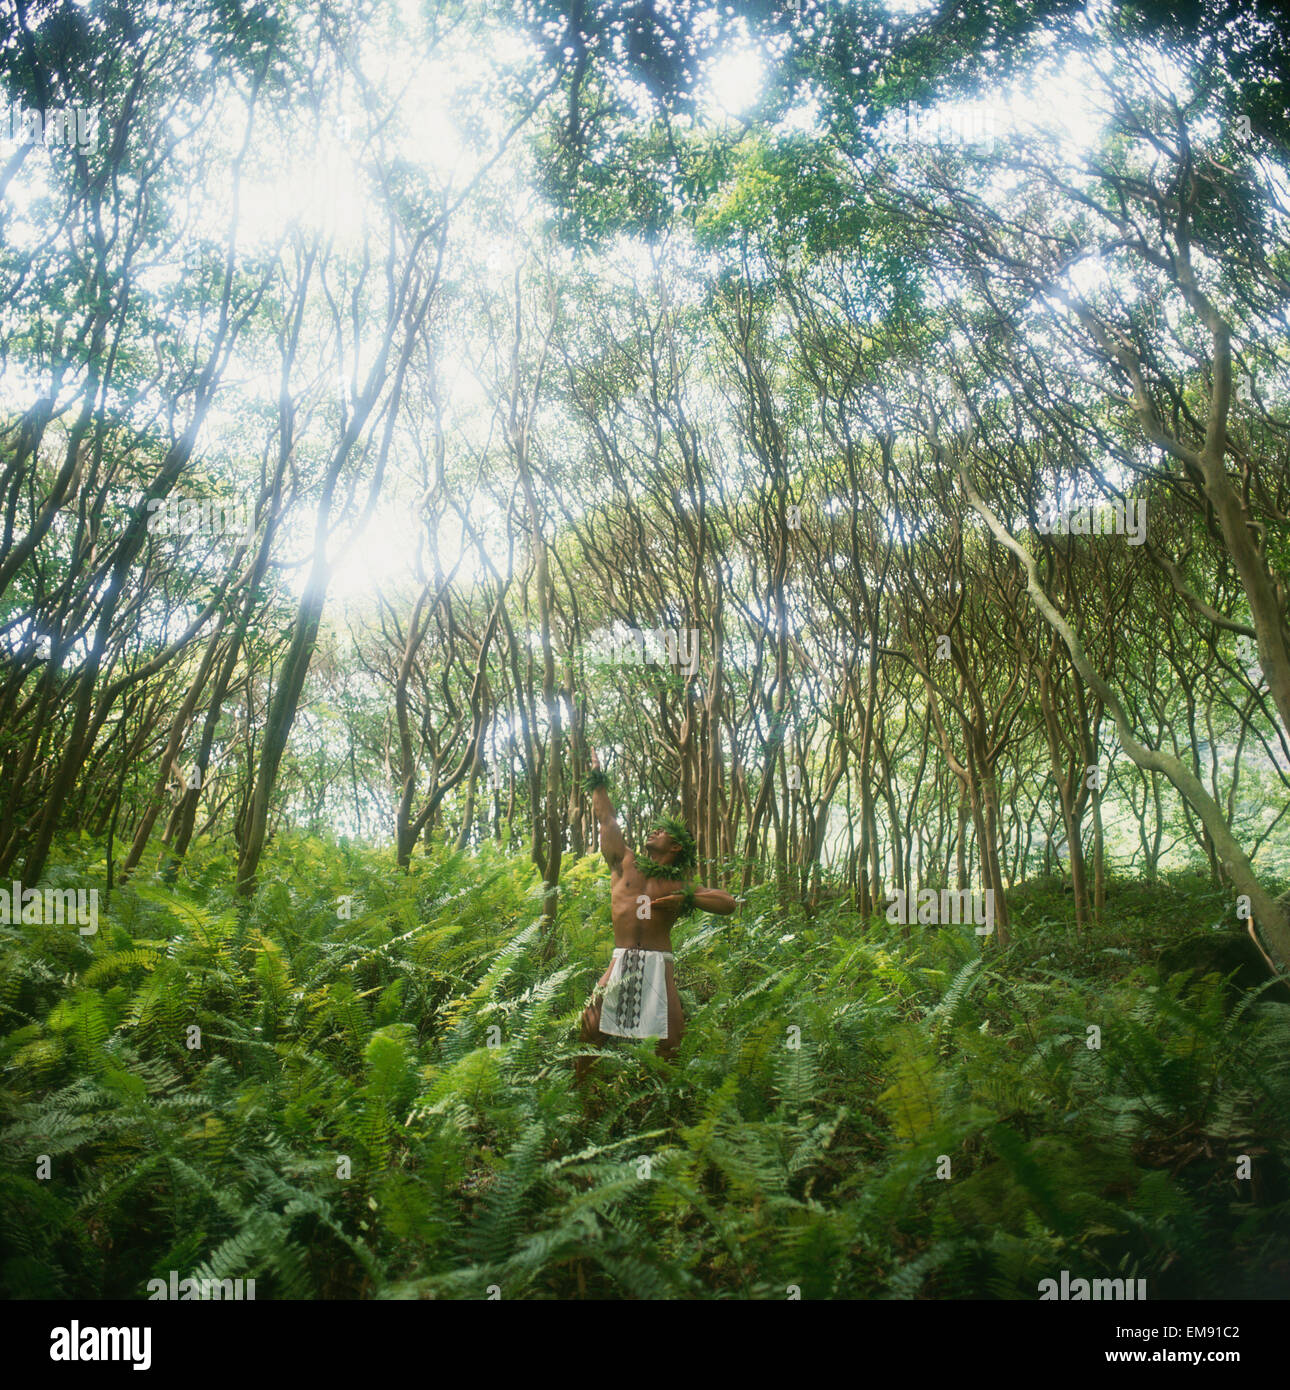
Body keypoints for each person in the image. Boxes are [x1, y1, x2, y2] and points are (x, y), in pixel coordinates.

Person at [577, 748, 736, 1080]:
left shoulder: (680, 883)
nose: (652, 832)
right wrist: (597, 779)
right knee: (591, 1030)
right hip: (621, 959)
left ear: (676, 847)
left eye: (661, 832)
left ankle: (667, 1115)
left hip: (658, 963)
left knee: (671, 1044)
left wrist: (687, 897)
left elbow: (728, 903)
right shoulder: (625, 863)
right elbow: (605, 818)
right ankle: (584, 1099)